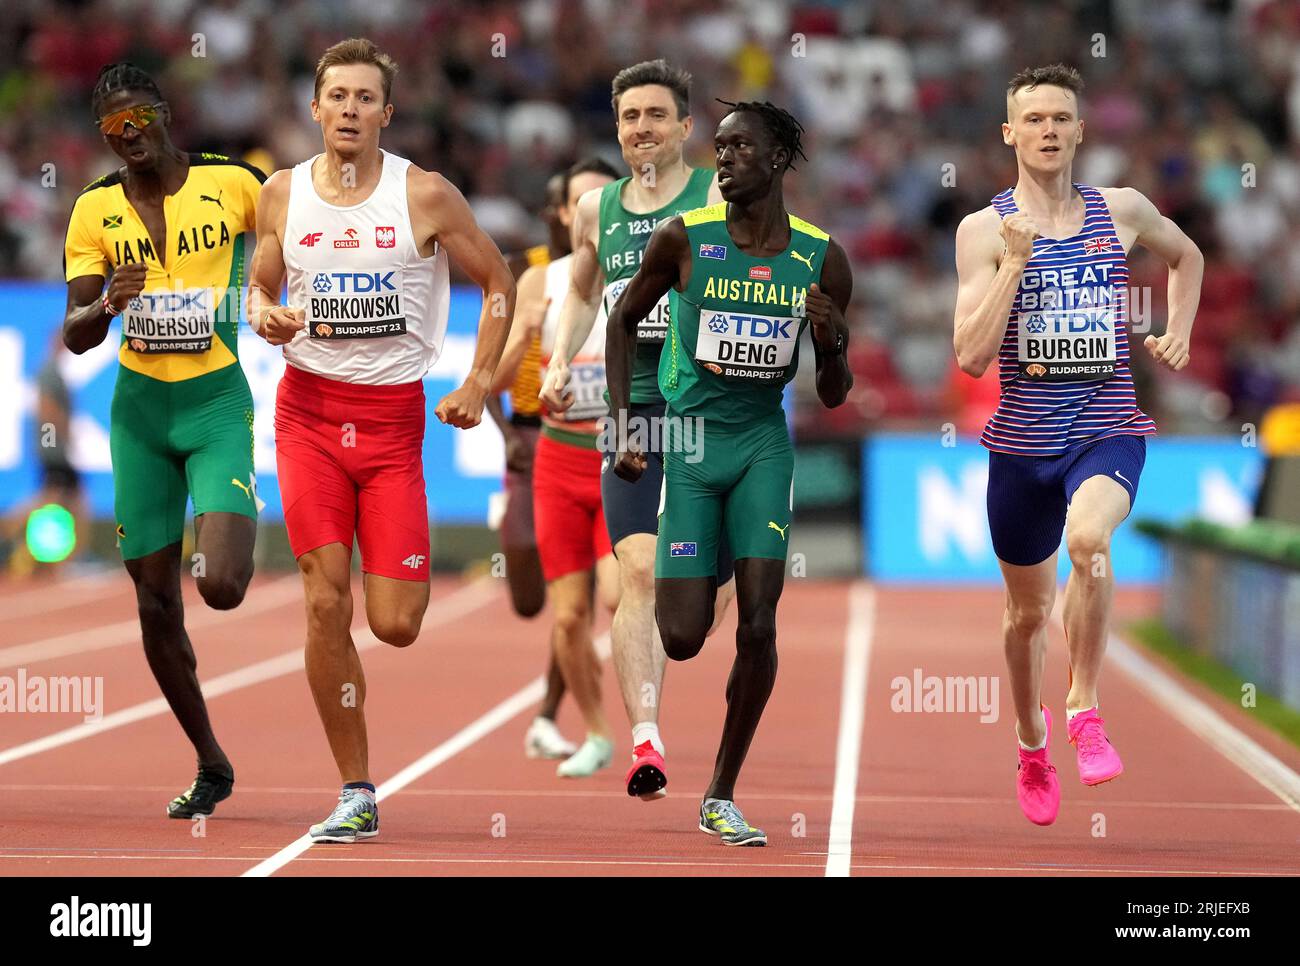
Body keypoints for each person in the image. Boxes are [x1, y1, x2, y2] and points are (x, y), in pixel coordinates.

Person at [247, 38, 513, 843]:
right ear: (317, 108)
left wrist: (477, 383)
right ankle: (355, 789)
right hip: (307, 418)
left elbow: (499, 284)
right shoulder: (282, 195)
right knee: (324, 599)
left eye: (367, 99)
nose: (352, 111)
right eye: (339, 97)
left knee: (395, 623)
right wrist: (266, 314)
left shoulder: (424, 194)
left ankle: (357, 771)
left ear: (386, 114)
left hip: (393, 426)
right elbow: (261, 284)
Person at [952, 64, 1202, 826]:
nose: (1049, 131)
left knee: (1089, 544)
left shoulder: (1120, 210)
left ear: (1080, 131)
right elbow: (968, 354)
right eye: (1033, 120)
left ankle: (1084, 710)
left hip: (1106, 429)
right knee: (1026, 615)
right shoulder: (983, 230)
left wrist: (1179, 331)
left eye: (1061, 118)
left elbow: (1186, 256)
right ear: (1010, 134)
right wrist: (1017, 264)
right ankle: (1032, 740)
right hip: (1023, 448)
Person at [606, 100, 853, 845]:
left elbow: (836, 394)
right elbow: (621, 322)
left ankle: (721, 790)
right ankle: (712, 551)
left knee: (758, 621)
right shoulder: (684, 240)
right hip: (686, 441)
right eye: (718, 146)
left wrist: (832, 345)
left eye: (740, 147)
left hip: (760, 445)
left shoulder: (820, 258)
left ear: (778, 160)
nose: (723, 158)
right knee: (681, 638)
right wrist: (623, 423)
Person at [62, 63, 264, 819]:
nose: (130, 136)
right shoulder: (94, 210)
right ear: (103, 137)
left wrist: (270, 295)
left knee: (221, 583)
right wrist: (105, 307)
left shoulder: (235, 183)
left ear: (163, 114)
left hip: (214, 401)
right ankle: (211, 759)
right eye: (114, 129)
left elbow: (287, 243)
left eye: (139, 118)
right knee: (154, 601)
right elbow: (75, 334)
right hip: (140, 414)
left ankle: (234, 507)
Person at [539, 60, 735, 800]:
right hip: (637, 413)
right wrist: (560, 357)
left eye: (657, 115)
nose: (641, 128)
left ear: (687, 127)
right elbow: (585, 292)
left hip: (712, 412)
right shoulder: (598, 211)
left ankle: (713, 586)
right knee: (639, 574)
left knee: (693, 610)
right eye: (629, 117)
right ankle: (645, 739)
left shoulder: (715, 195)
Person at [494, 158, 621, 776]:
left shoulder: (646, 275)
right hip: (555, 461)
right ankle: (594, 732)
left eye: (606, 197)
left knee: (624, 599)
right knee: (563, 613)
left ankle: (640, 723)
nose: (594, 211)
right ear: (566, 215)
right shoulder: (539, 282)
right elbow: (493, 377)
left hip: (625, 461)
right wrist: (524, 341)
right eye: (581, 203)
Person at [490, 173, 576, 761]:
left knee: (577, 596)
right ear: (551, 212)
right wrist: (503, 436)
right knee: (526, 597)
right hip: (527, 437)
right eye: (559, 205)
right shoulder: (527, 268)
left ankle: (548, 713)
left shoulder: (615, 268)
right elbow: (487, 360)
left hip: (584, 438)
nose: (566, 216)